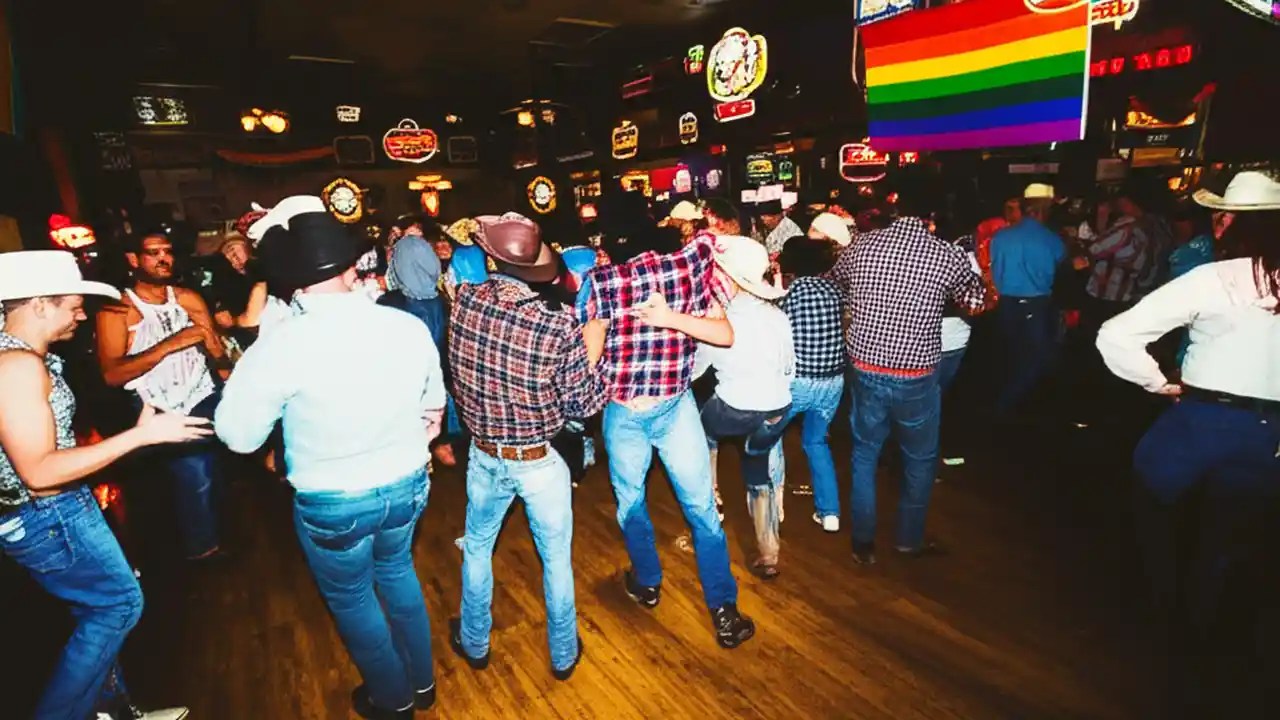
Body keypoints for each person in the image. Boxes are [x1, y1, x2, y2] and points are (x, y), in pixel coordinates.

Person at [214, 196, 446, 720]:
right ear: (349, 268)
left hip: (334, 499)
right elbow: (434, 404)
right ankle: (424, 684)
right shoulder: (404, 325)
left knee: (353, 597)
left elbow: (238, 436)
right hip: (407, 482)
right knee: (398, 573)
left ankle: (394, 699)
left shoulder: (282, 343)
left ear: (292, 283)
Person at [1096, 170, 1280, 717]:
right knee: (1231, 534)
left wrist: (1158, 384)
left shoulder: (1214, 277)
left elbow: (1117, 334)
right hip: (1269, 433)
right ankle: (1210, 631)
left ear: (1229, 221)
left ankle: (1163, 620)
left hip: (1200, 419)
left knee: (1154, 508)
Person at [0, 250, 206, 720]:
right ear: (37, 305)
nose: (80, 314)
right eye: (72, 305)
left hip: (50, 513)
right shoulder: (16, 367)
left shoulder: (25, 358)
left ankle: (114, 712)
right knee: (117, 607)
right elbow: (38, 471)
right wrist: (140, 436)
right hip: (47, 516)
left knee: (98, 610)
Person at [447, 212, 607, 680]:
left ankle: (474, 643)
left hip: (483, 453)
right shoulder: (556, 325)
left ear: (493, 262)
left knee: (477, 547)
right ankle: (562, 654)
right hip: (537, 459)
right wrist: (591, 345)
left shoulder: (465, 303)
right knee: (555, 559)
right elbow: (584, 404)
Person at [580, 227, 756, 648]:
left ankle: (649, 584)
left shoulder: (603, 284)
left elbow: (588, 359)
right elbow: (724, 332)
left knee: (633, 504)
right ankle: (721, 611)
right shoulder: (689, 276)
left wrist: (656, 321)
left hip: (632, 412)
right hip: (672, 408)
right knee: (698, 510)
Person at [830, 193, 986, 564]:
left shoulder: (861, 247)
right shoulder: (945, 254)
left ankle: (863, 544)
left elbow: (836, 283)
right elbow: (976, 305)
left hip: (865, 364)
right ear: (932, 216)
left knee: (865, 452)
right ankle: (907, 540)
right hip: (915, 371)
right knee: (919, 458)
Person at [95, 231, 228, 561]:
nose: (163, 259)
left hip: (201, 392)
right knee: (193, 469)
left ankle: (213, 532)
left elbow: (218, 355)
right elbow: (112, 375)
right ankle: (201, 548)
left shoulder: (188, 298)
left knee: (212, 468)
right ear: (134, 259)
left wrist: (223, 365)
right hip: (154, 403)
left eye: (167, 251)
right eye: (153, 253)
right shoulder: (118, 310)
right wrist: (173, 342)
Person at [693, 236, 794, 579]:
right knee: (758, 474)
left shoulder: (724, 318)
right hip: (778, 409)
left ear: (728, 278)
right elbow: (789, 368)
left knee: (700, 434)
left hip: (734, 409)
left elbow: (697, 369)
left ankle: (709, 507)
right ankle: (769, 553)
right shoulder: (778, 315)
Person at [777, 237, 845, 532]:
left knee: (770, 439)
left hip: (799, 381)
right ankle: (829, 513)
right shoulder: (834, 290)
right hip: (833, 381)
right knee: (816, 443)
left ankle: (773, 508)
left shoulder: (790, 294)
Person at [989, 183, 1067, 414]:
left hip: (1007, 304)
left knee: (1012, 353)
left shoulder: (1000, 237)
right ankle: (1010, 402)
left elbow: (995, 269)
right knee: (1038, 356)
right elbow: (1062, 267)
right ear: (1044, 209)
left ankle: (1010, 400)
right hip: (1036, 304)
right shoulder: (1051, 239)